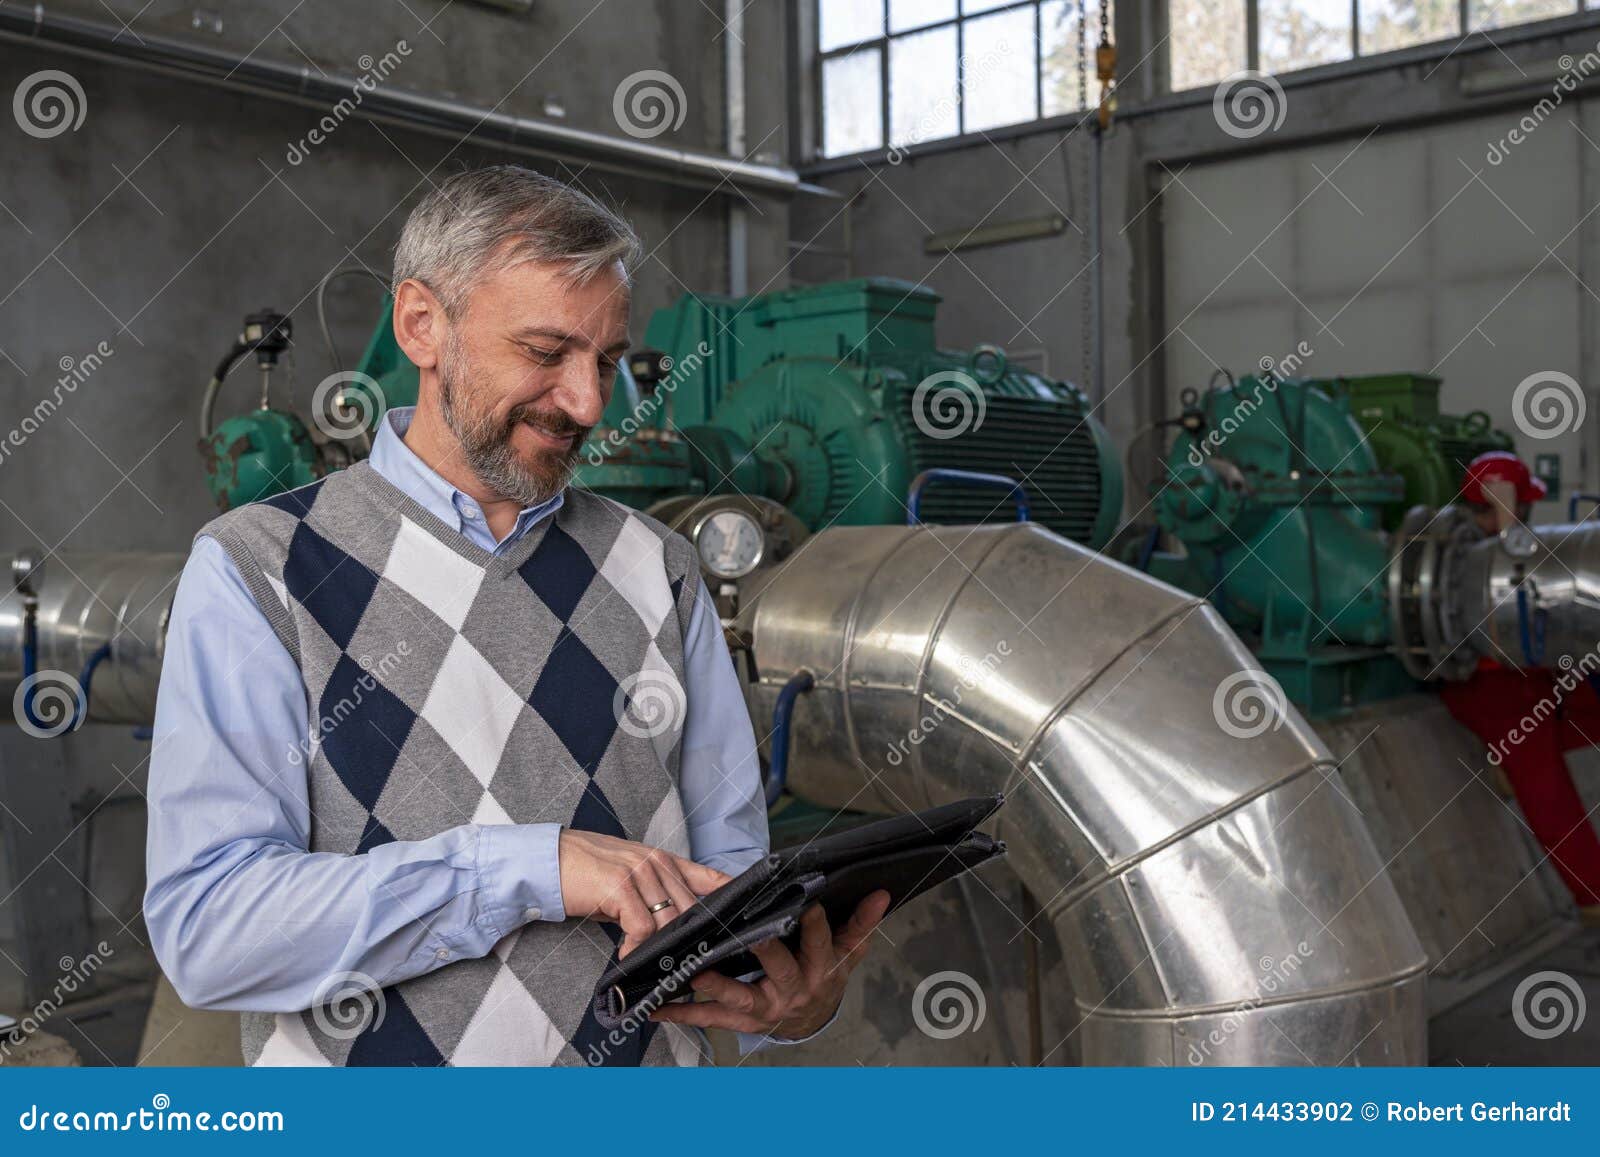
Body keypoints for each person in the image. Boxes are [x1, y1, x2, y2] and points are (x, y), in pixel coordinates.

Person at [144, 166, 889, 1066]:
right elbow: (209, 933)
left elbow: (728, 893)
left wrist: (791, 1001)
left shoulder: (662, 568)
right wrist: (531, 869)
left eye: (606, 361)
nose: (587, 403)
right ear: (421, 324)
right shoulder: (259, 568)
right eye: (545, 352)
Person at [1438, 451, 1600, 926]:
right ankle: (1592, 894)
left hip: (1528, 670)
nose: (1524, 517)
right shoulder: (1474, 553)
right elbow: (1513, 583)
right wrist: (1505, 515)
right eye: (1517, 507)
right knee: (1544, 781)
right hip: (1485, 683)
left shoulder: (1507, 541)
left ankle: (1504, 757)